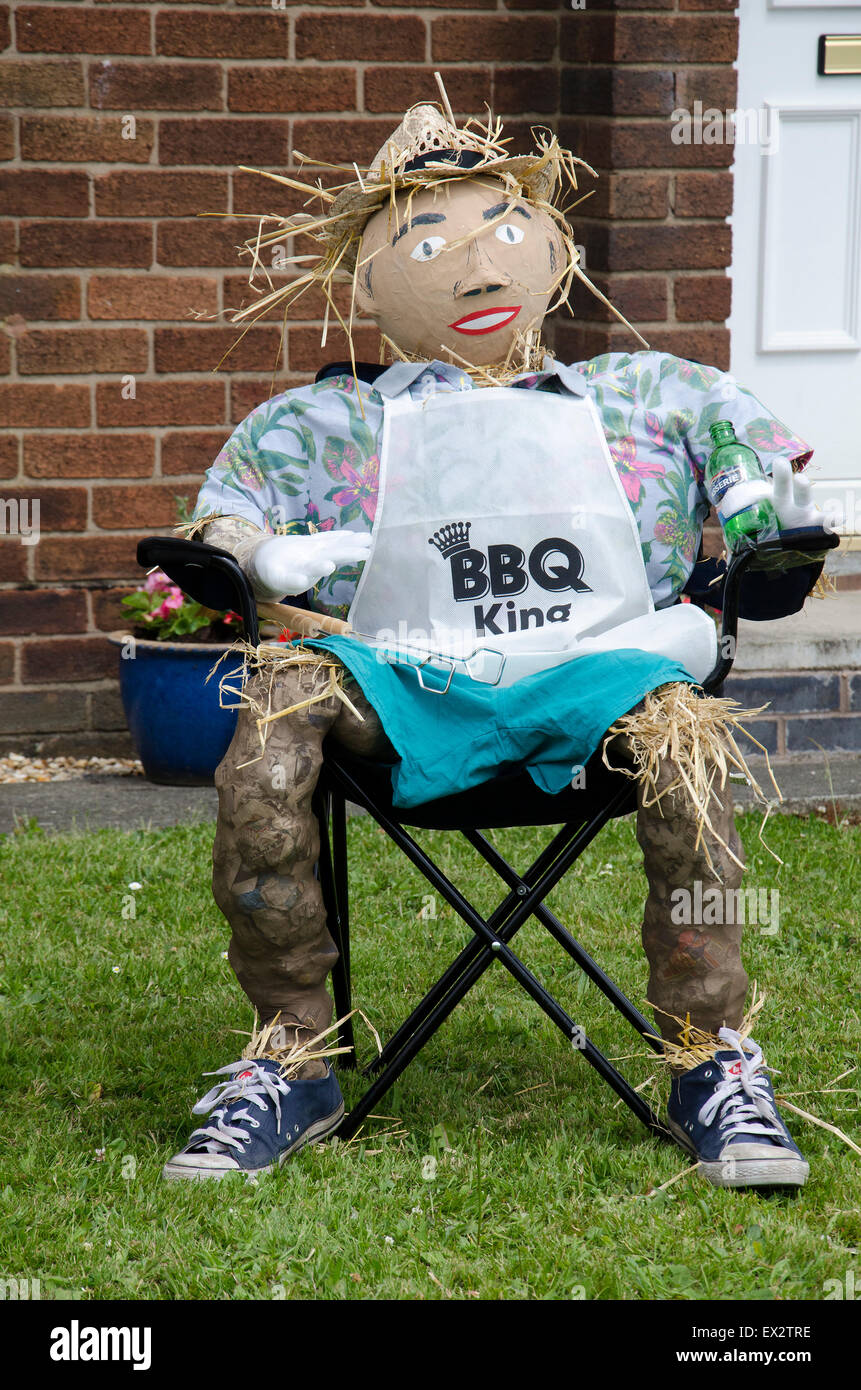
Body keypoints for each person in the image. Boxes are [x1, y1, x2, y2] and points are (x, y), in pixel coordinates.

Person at [162, 97, 826, 1188]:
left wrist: (761, 527)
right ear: (368, 283)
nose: (474, 275)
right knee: (278, 702)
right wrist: (255, 556)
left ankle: (710, 1056)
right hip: (399, 689)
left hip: (606, 680)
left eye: (500, 233)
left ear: (556, 249)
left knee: (683, 729)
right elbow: (218, 525)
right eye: (428, 246)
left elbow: (754, 467)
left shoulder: (649, 393)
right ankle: (294, 1051)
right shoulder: (314, 425)